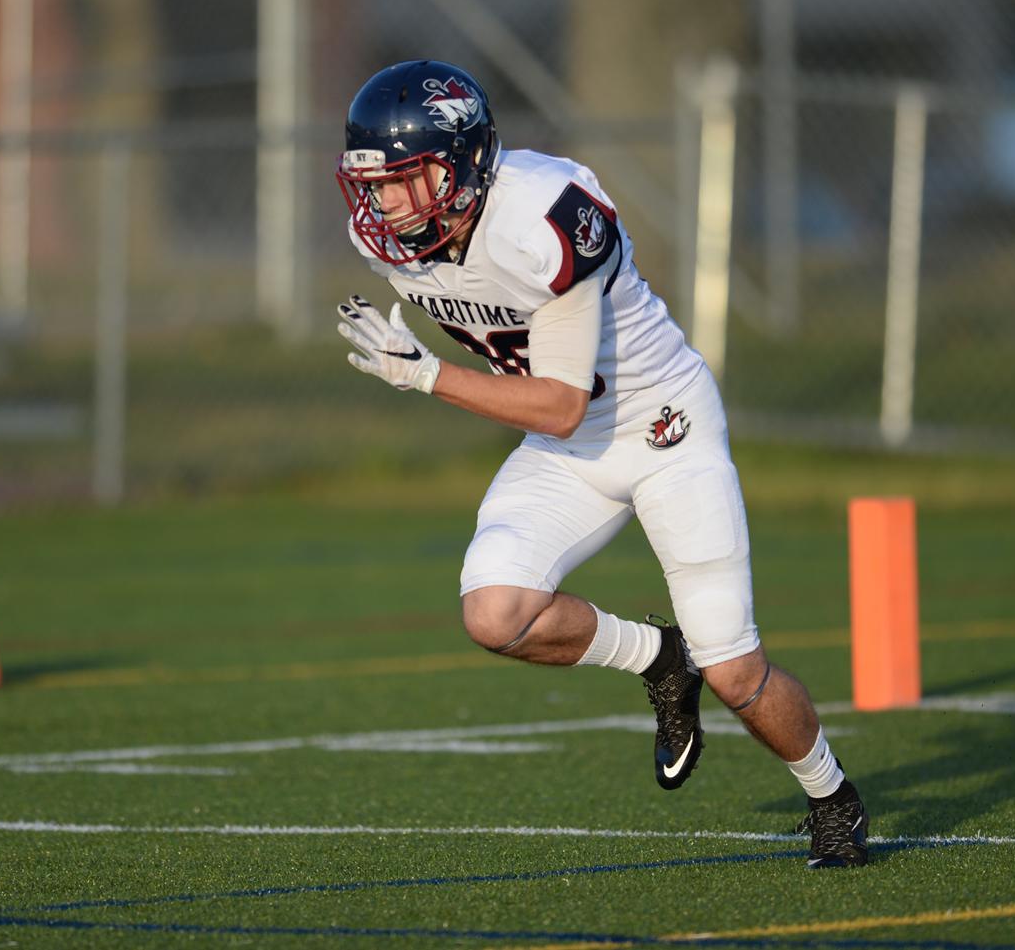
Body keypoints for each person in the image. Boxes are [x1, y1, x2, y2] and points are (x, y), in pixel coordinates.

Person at [333, 59, 869, 868]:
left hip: (661, 431)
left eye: (408, 180)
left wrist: (427, 374)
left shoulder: (549, 215)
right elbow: (553, 411)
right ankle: (659, 658)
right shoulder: (389, 243)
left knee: (735, 671)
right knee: (494, 612)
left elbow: (560, 400)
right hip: (567, 450)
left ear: (467, 163)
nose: (386, 205)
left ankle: (833, 796)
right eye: (374, 183)